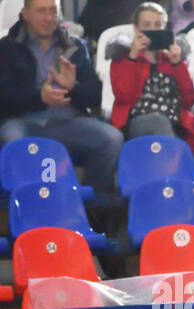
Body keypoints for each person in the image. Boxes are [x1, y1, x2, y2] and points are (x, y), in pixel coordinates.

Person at [0, 0, 124, 195]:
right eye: (42, 11)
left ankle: (89, 210)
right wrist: (39, 97)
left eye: (53, 11)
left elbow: (95, 95)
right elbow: (4, 96)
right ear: (25, 14)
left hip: (69, 121)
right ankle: (26, 209)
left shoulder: (74, 46)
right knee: (13, 138)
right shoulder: (7, 48)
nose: (49, 18)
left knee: (112, 139)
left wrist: (73, 88)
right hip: (23, 121)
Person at [106, 2, 194, 151]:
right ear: (136, 28)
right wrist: (132, 57)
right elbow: (123, 97)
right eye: (146, 25)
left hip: (173, 122)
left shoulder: (172, 59)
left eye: (158, 24)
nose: (152, 29)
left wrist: (178, 64)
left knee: (167, 132)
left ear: (165, 28)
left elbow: (188, 101)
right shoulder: (123, 58)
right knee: (158, 123)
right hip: (137, 121)